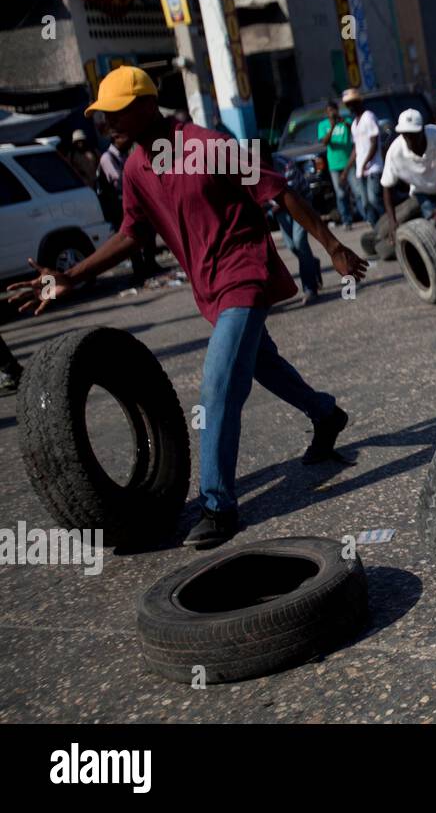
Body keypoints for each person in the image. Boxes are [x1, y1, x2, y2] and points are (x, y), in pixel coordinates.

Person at [7, 66, 368, 549]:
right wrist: (73, 275)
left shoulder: (206, 145)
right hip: (209, 288)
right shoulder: (134, 168)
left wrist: (332, 245)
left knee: (218, 385)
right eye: (102, 116)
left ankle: (218, 505)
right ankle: (325, 414)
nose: (106, 123)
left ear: (145, 107)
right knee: (263, 363)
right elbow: (132, 233)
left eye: (114, 113)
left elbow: (277, 189)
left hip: (245, 272)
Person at [381, 108, 436, 261]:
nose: (409, 139)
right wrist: (392, 221)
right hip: (422, 192)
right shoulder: (395, 152)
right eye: (405, 135)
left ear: (422, 130)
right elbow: (387, 188)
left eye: (413, 134)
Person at [97, 130, 160, 284]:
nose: (128, 141)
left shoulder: (124, 155)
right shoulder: (107, 158)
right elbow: (118, 180)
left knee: (149, 230)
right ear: (115, 138)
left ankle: (150, 263)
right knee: (130, 235)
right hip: (117, 205)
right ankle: (139, 270)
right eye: (124, 138)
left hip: (131, 200)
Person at [270, 155, 324, 306]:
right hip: (278, 209)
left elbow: (289, 197)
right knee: (292, 246)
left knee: (300, 243)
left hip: (299, 202)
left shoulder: (285, 164)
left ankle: (310, 288)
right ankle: (312, 263)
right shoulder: (251, 166)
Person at [342, 88, 384, 225]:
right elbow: (356, 148)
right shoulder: (354, 123)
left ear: (359, 102)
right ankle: (376, 229)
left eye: (352, 103)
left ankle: (387, 222)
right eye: (348, 104)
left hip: (373, 168)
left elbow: (374, 143)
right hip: (361, 170)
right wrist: (347, 169)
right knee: (366, 204)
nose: (350, 106)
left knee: (374, 200)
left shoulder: (368, 117)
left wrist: (366, 162)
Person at [317, 100, 357, 229]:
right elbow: (324, 142)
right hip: (334, 164)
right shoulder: (323, 125)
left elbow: (355, 132)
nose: (332, 113)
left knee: (357, 191)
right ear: (327, 113)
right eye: (329, 111)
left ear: (337, 110)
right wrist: (333, 126)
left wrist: (343, 122)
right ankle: (346, 220)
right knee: (341, 194)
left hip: (349, 162)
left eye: (333, 110)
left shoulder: (345, 122)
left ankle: (367, 216)